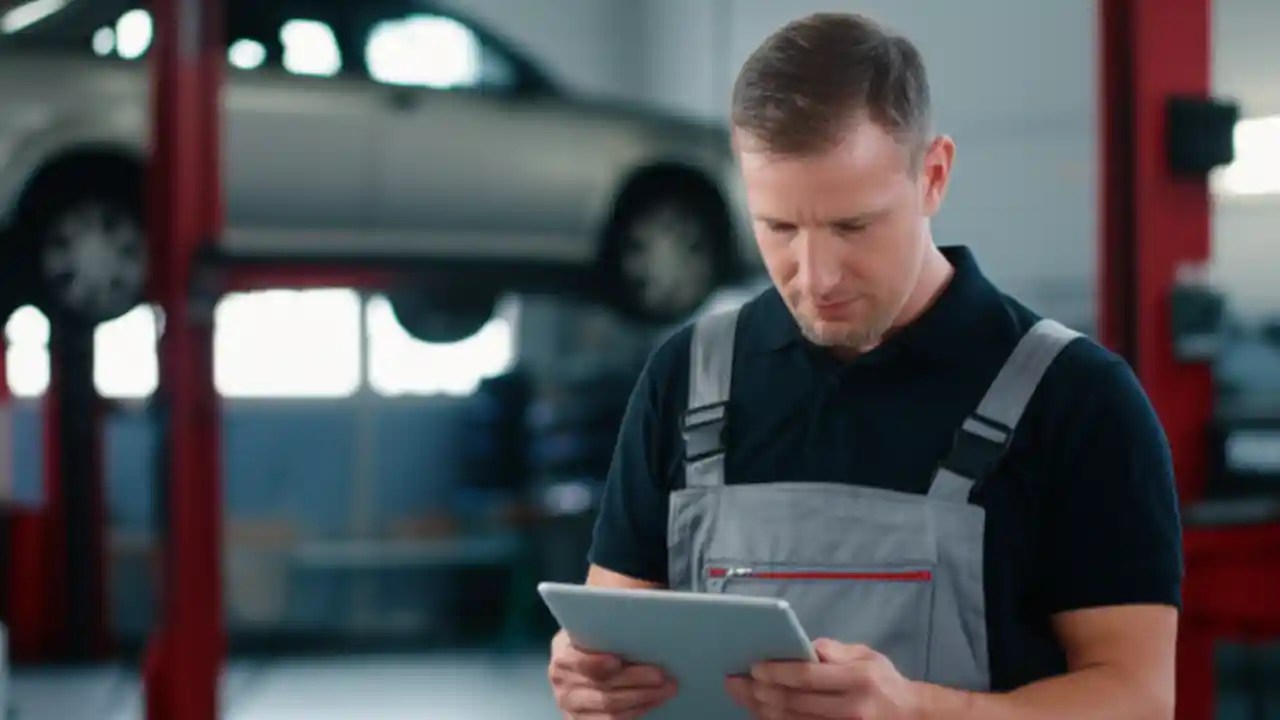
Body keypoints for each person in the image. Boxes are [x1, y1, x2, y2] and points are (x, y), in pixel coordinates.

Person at [547, 11, 1182, 720]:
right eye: (779, 227)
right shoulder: (686, 378)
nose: (815, 277)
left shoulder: (1078, 398)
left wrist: (917, 710)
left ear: (933, 176)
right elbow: (613, 634)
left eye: (853, 226)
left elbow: (1138, 698)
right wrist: (590, 680)